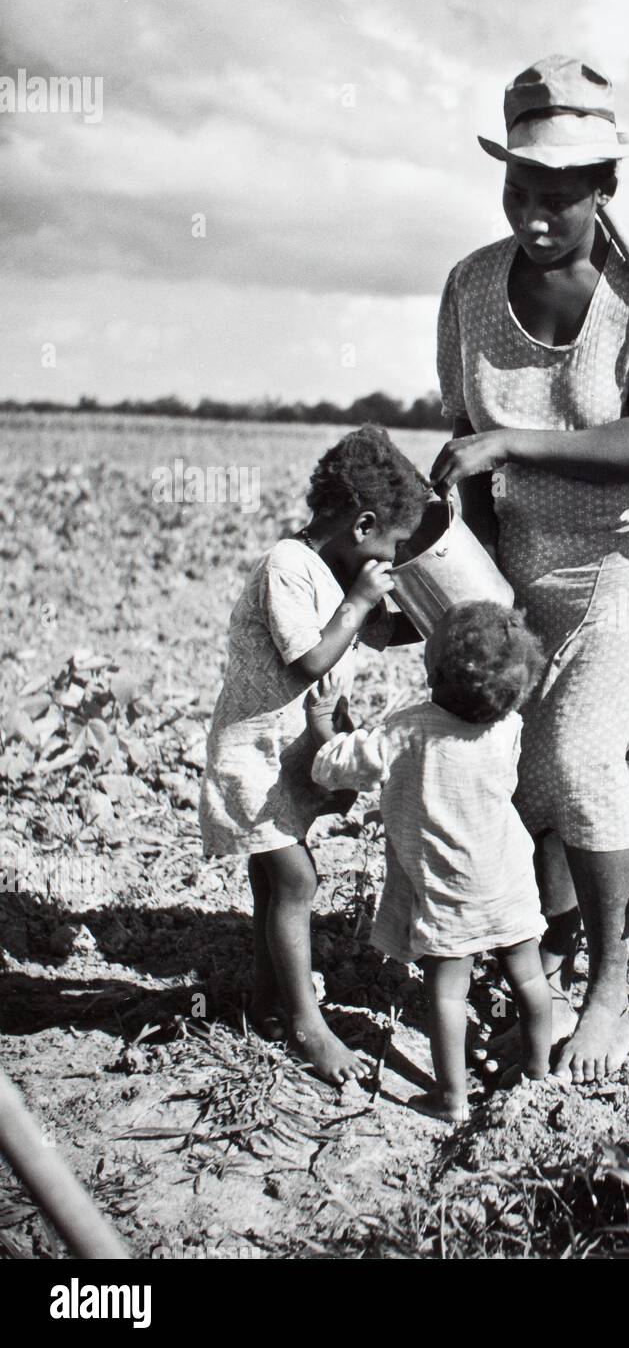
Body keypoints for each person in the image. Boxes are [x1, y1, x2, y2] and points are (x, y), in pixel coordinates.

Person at [428, 55, 629, 1082]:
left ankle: (610, 989)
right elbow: (464, 436)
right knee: (518, 771)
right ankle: (541, 957)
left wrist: (511, 445)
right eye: (519, 194)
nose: (535, 217)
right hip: (524, 556)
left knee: (582, 756)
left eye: (559, 198)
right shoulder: (468, 285)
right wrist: (445, 555)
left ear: (606, 191)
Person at [198, 424, 427, 1084]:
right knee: (296, 881)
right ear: (362, 525)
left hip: (284, 758)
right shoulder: (288, 568)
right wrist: (358, 602)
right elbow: (308, 661)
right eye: (393, 543)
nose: (392, 559)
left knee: (275, 882)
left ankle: (271, 1003)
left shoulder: (332, 569)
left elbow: (383, 631)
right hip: (252, 758)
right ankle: (306, 1025)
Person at [309, 601, 551, 1122]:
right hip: (509, 878)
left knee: (446, 993)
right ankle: (536, 1074)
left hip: (448, 891)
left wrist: (324, 725)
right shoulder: (507, 727)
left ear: (434, 672)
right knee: (529, 982)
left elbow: (339, 768)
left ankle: (451, 1098)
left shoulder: (409, 729)